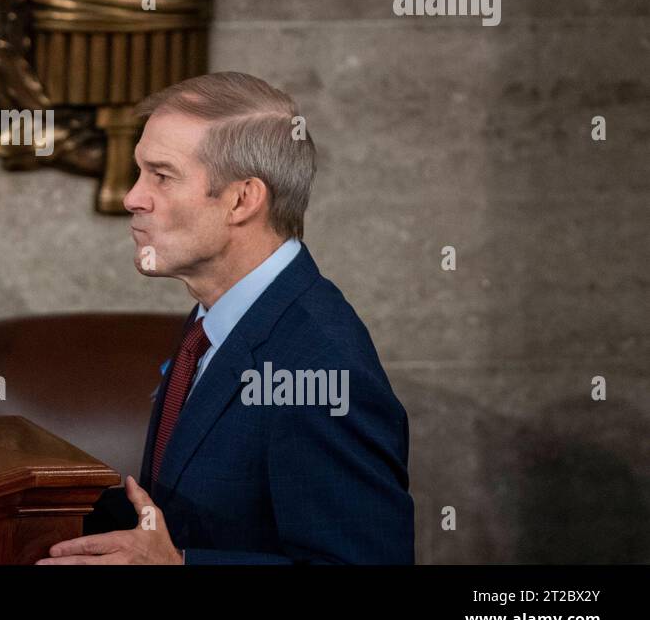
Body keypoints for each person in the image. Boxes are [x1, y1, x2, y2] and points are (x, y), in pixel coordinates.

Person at [41, 72, 414, 564]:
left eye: (161, 176)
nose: (132, 197)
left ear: (241, 200)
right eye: (140, 172)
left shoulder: (320, 362)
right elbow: (181, 518)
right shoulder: (216, 318)